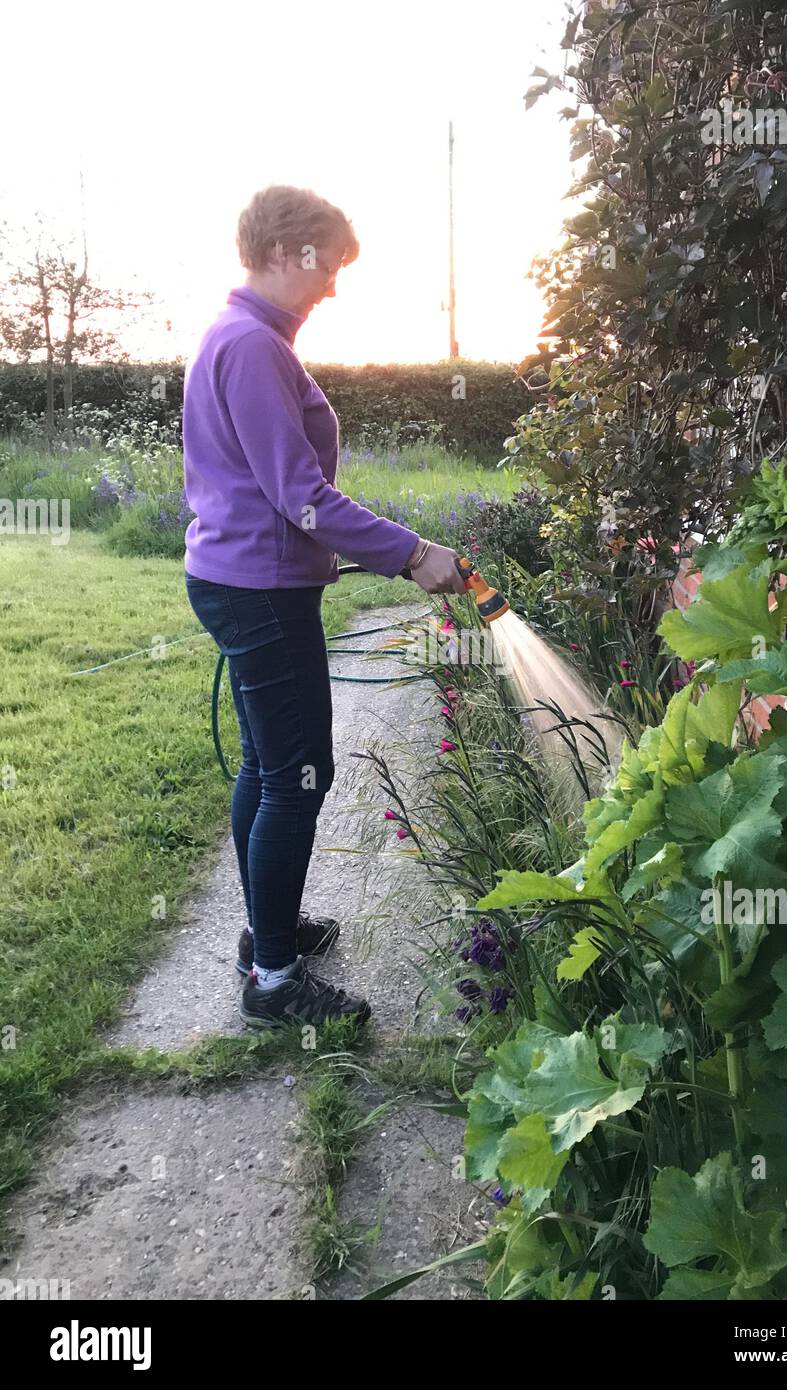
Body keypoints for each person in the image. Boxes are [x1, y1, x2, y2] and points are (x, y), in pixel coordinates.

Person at [182, 184, 466, 1029]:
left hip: (249, 581)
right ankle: (274, 981)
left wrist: (330, 555)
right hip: (257, 592)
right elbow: (297, 494)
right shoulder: (251, 347)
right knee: (300, 776)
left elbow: (271, 493)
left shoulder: (246, 338)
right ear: (282, 252)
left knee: (269, 769)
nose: (334, 285)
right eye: (327, 266)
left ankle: (266, 935)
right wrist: (412, 554)